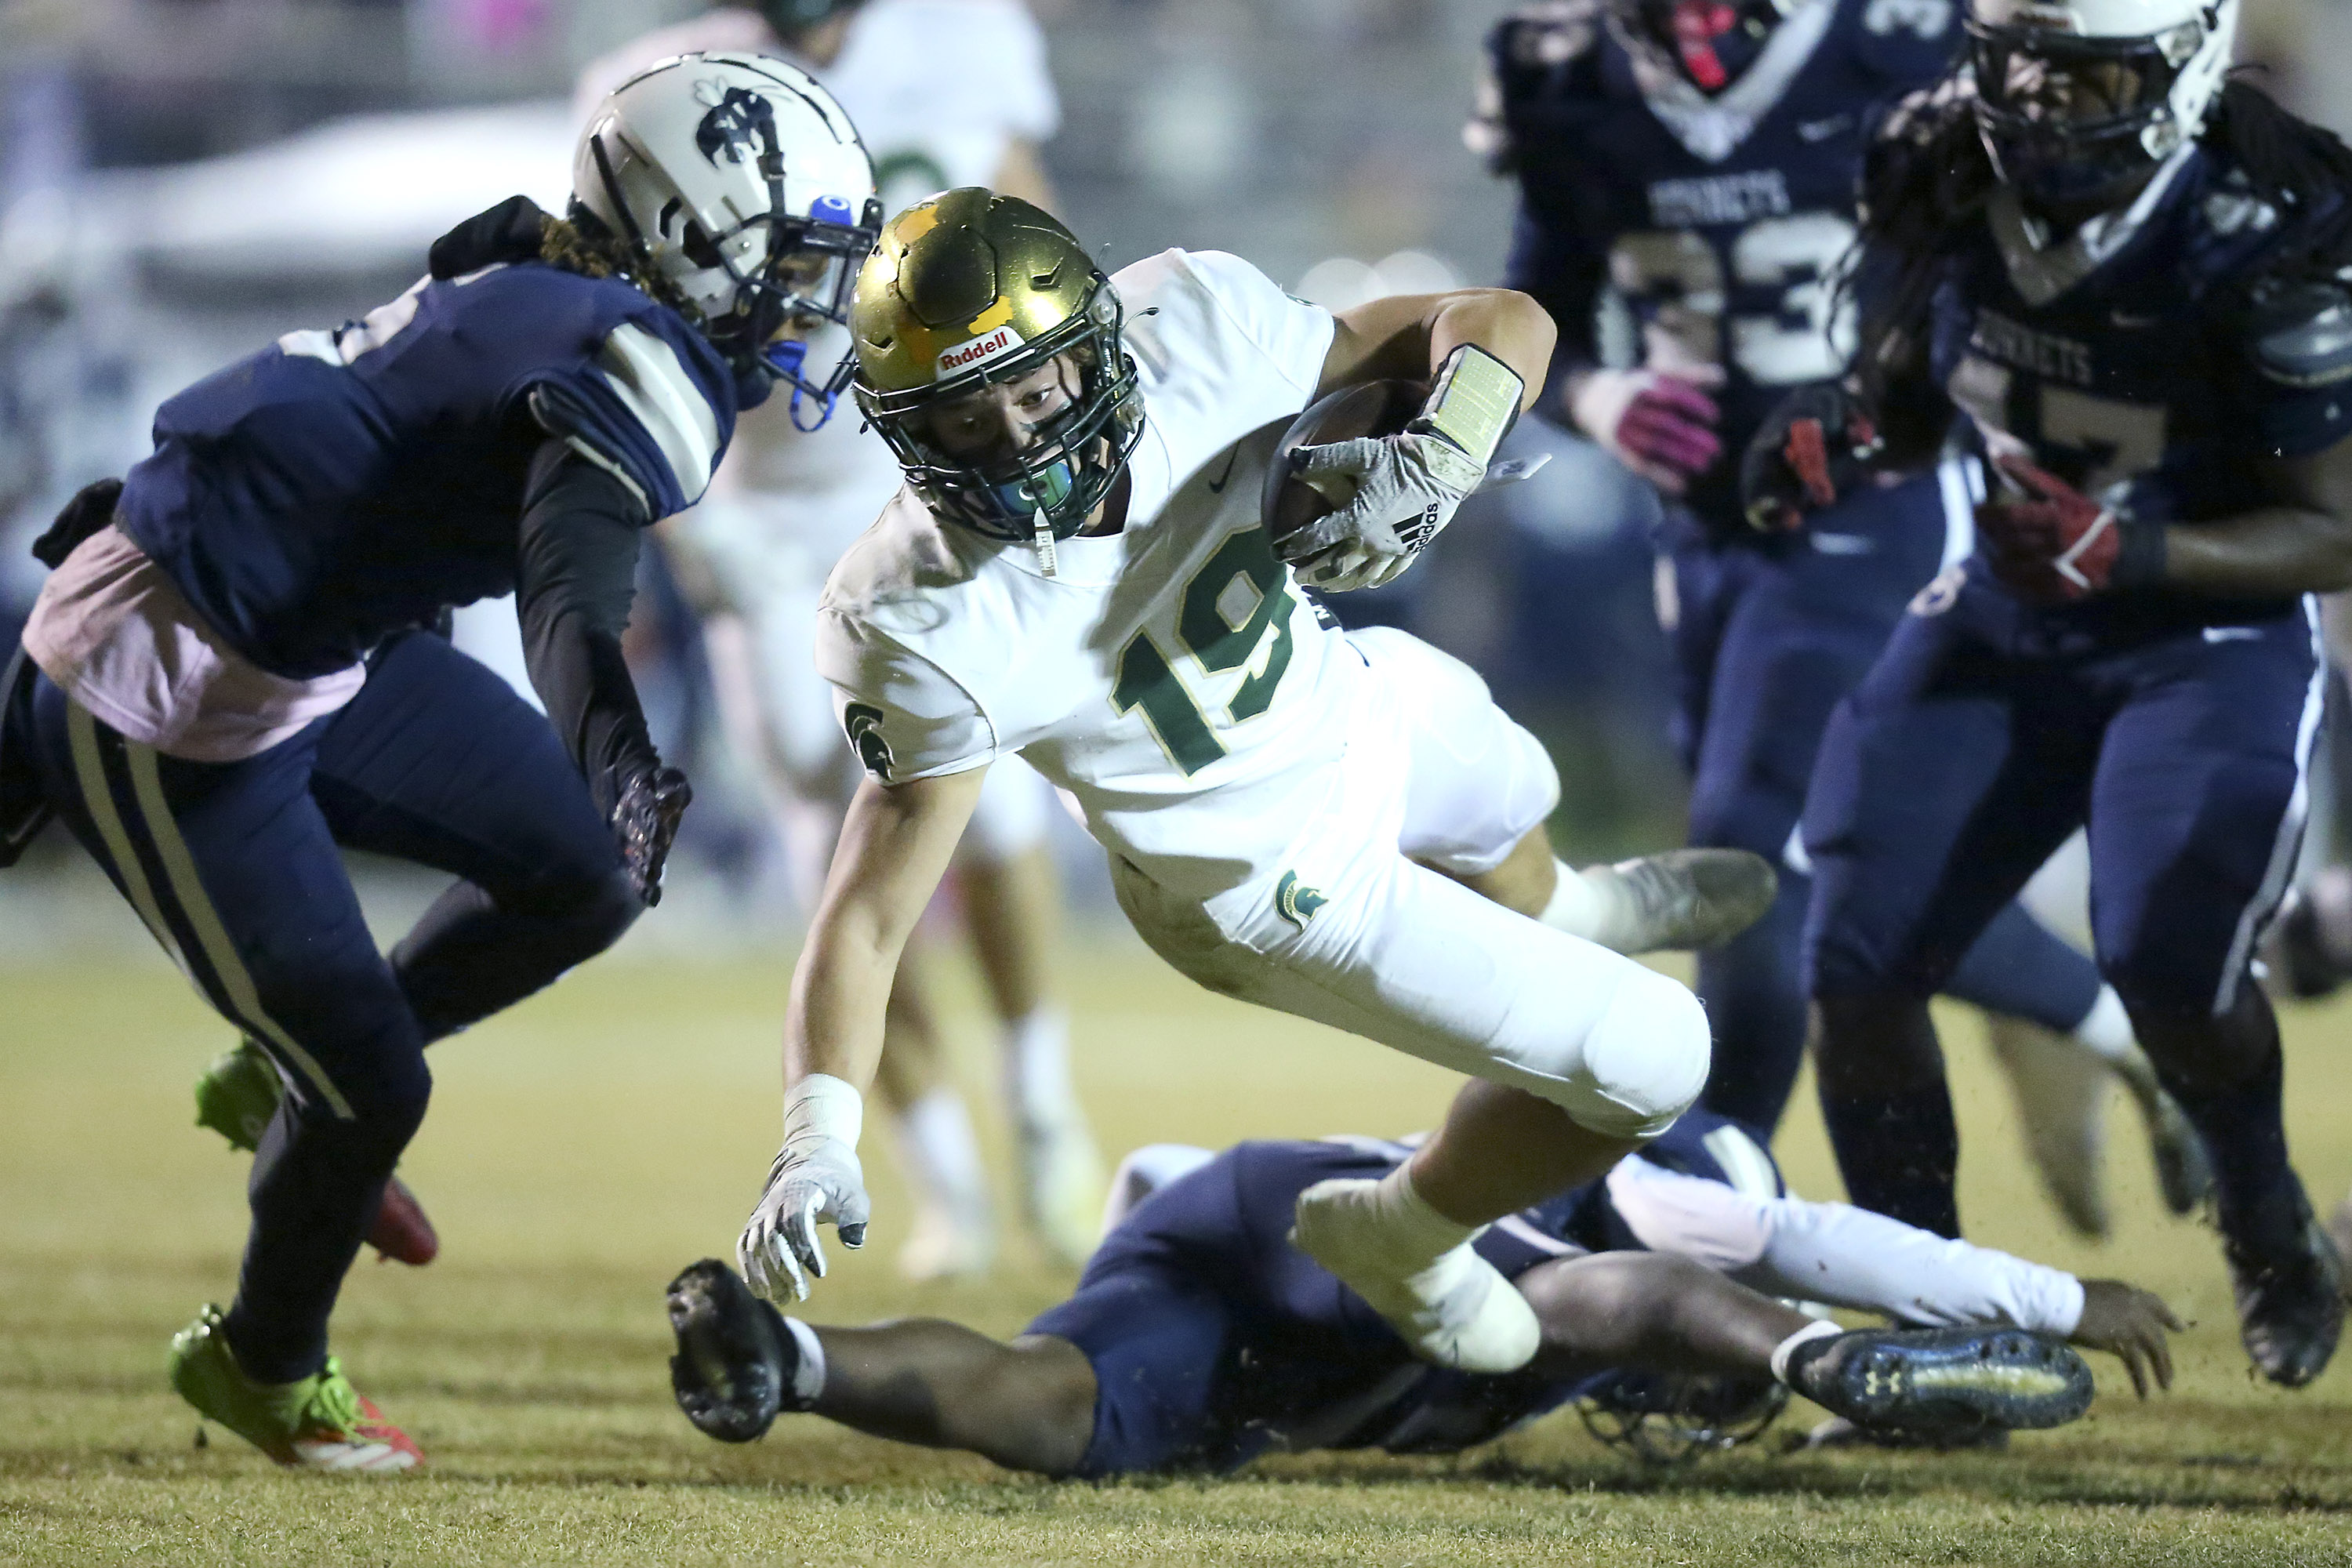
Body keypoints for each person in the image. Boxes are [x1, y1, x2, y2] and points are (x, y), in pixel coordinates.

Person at [728, 183, 1788, 1381]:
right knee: (1659, 1057)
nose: (1022, 442)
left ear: (1098, 348)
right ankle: (1408, 1233)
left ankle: (1573, 910)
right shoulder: (917, 616)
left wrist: (1444, 451)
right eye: (970, 420)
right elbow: (867, 912)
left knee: (1501, 770)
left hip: (1343, 695)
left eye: (1034, 390)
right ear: (910, 430)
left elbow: (1504, 320)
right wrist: (816, 1135)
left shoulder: (1197, 325)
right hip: (1268, 884)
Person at [0, 54, 877, 1468]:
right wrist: (619, 751)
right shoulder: (626, 352)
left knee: (586, 873)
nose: (816, 299)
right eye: (797, 259)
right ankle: (265, 1366)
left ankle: (302, 1089)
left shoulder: (547, 271)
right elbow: (566, 586)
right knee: (376, 1088)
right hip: (161, 681)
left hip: (311, 649)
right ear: (690, 234)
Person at [1467, 0, 2209, 1229]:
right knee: (1784, 893)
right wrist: (1600, 402)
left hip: (1877, 506)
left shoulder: (1904, 41)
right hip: (1705, 538)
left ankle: (1699, 1206)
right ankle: (2111, 1029)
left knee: (1753, 853)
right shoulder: (1569, 70)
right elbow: (1542, 308)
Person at [1742, 0, 2352, 1386]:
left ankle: (2270, 1225)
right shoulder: (1940, 154)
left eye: (2083, 69)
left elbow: (2341, 524)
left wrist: (2131, 547)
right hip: (2014, 619)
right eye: (2014, 51)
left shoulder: (2268, 224)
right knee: (1856, 959)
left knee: (2166, 960)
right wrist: (1839, 435)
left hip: (2207, 635)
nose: (2033, 92)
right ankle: (1942, 1318)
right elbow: (1904, 386)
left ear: (2185, 61)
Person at [577, 0, 1101, 1278]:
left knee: (1003, 817)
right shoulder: (646, 77)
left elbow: (1031, 233)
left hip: (934, 478)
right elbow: (606, 301)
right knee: (839, 848)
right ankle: (947, 1178)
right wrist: (683, 517)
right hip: (761, 508)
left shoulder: (962, 33)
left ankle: (1045, 1113)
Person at [670, 1098, 2175, 1475]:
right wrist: (2046, 1301)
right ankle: (1828, 1370)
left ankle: (785, 1360)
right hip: (1369, 1265)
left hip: (1242, 1218)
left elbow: (1150, 1172)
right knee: (1577, 1311)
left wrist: (1130, 1308)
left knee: (1057, 1400)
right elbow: (1779, 1244)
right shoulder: (1665, 1172)